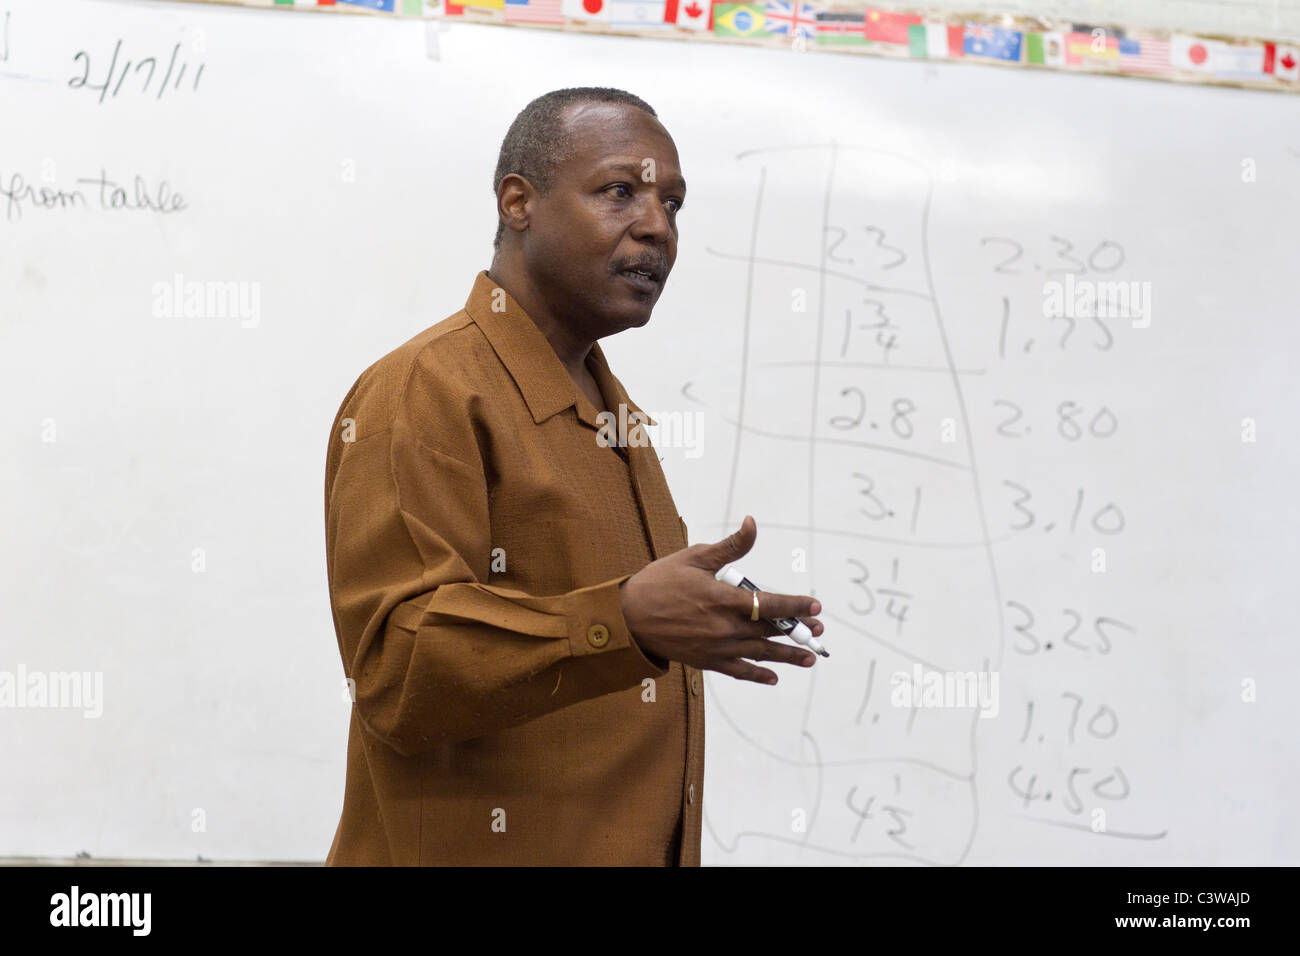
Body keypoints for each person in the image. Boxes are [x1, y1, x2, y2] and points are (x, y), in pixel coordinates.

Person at [322, 87, 824, 866]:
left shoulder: (612, 415)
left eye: (674, 203)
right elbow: (397, 670)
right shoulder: (426, 389)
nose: (657, 225)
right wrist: (621, 620)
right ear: (518, 203)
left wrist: (688, 616)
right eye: (620, 191)